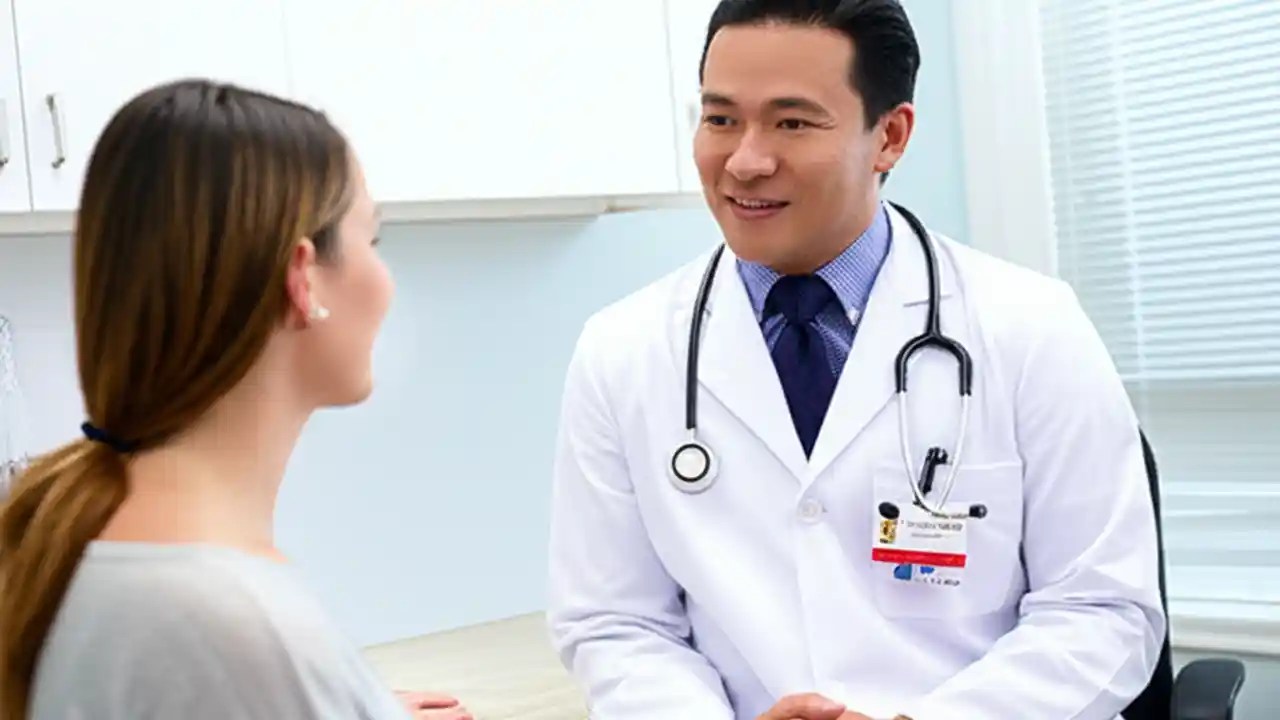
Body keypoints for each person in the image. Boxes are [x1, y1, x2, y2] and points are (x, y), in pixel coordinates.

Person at [545, 2, 1166, 719]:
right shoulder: (622, 349)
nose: (745, 160)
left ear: (890, 136)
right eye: (720, 119)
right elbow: (616, 623)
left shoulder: (1032, 326)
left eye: (792, 122)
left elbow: (1104, 609)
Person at [0, 79, 470, 720]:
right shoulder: (238, 625)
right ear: (303, 279)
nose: (384, 280)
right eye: (373, 241)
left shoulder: (83, 540)